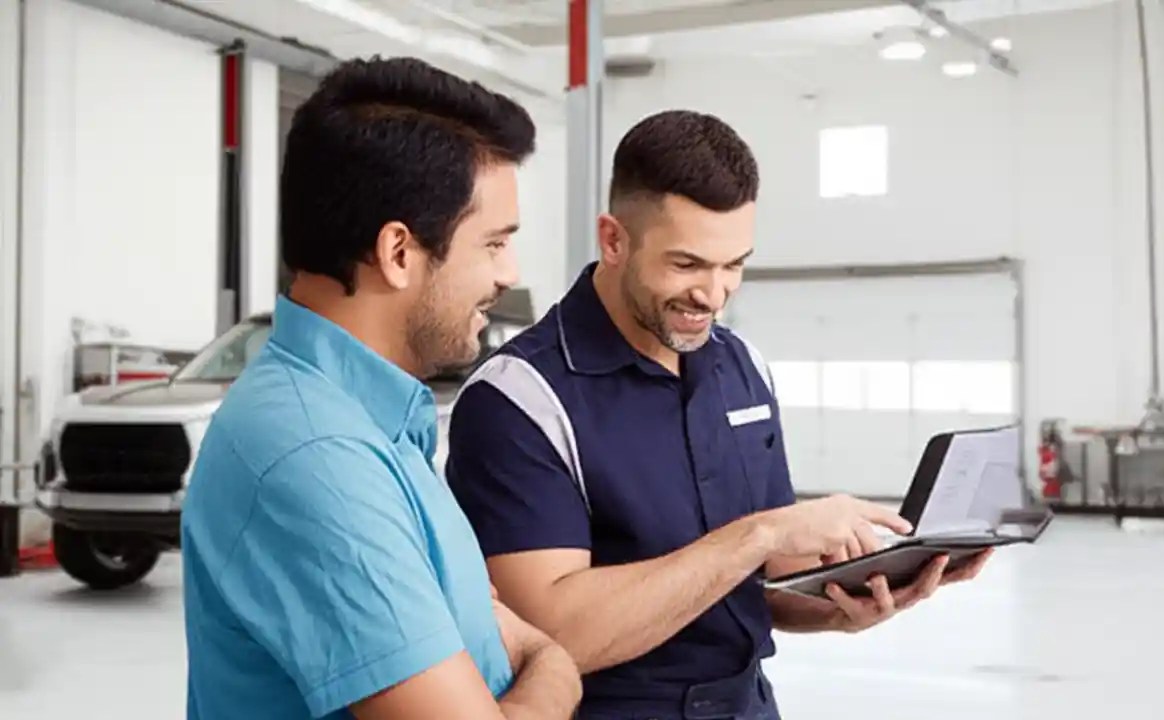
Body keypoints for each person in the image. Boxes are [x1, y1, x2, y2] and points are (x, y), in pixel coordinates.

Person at [444, 110, 992, 719]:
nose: (713, 294)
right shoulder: (519, 398)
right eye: (686, 265)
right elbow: (550, 637)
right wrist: (761, 534)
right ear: (613, 240)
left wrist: (846, 601)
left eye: (734, 264)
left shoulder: (741, 366)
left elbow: (763, 586)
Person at [181, 57, 582, 720]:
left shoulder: (372, 424)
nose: (508, 273)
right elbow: (531, 651)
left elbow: (504, 638)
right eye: (493, 244)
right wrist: (555, 668)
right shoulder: (316, 455)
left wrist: (540, 657)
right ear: (399, 253)